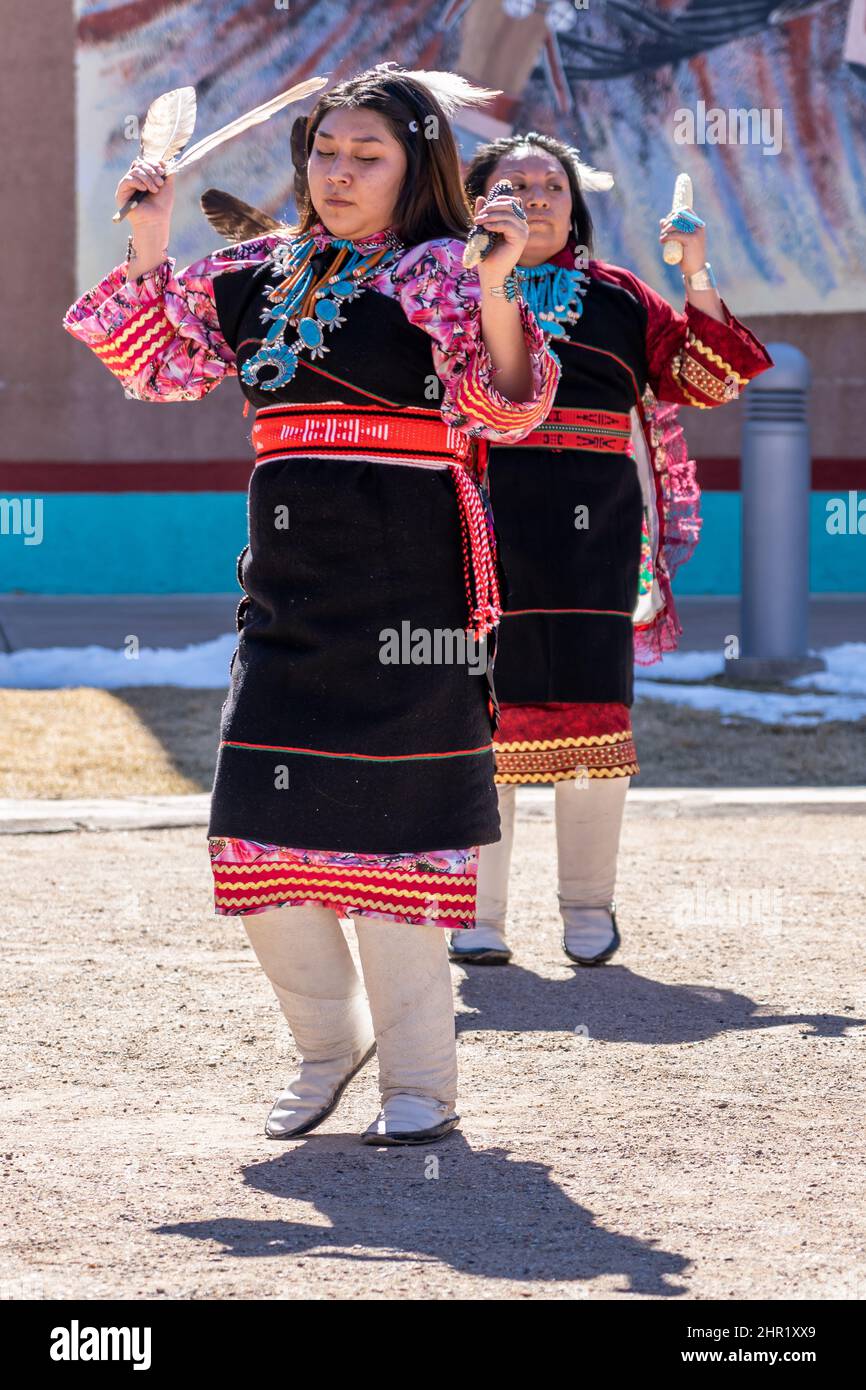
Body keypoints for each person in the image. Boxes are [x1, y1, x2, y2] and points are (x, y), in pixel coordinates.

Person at [62, 68, 560, 1145]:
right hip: (287, 589)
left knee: (396, 845)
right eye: (324, 152)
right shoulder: (257, 272)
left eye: (364, 156)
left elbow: (504, 402)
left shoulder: (440, 269)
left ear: (415, 166)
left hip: (410, 585)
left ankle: (419, 1078)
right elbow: (155, 366)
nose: (336, 173)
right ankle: (325, 1048)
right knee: (256, 838)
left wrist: (492, 285)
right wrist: (149, 243)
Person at [450, 132, 774, 967]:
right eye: (513, 184)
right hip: (481, 522)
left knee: (595, 718)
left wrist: (694, 273)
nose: (537, 197)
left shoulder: (621, 295)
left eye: (552, 183)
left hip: (596, 531)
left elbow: (709, 379)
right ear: (476, 200)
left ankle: (586, 909)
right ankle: (475, 916)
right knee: (478, 720)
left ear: (576, 201)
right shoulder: (448, 288)